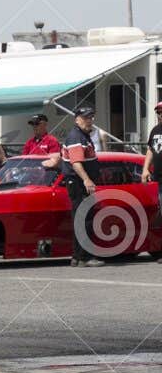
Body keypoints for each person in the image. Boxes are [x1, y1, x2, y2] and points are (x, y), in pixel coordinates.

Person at [62, 107, 101, 266]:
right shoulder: (77, 136)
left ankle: (77, 257)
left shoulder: (82, 136)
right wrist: (87, 180)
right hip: (78, 183)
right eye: (85, 118)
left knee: (82, 218)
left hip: (77, 182)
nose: (89, 120)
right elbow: (76, 164)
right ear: (77, 119)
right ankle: (84, 257)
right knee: (84, 219)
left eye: (91, 117)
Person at [142, 103, 162, 184]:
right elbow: (150, 150)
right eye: (158, 112)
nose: (161, 115)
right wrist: (145, 169)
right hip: (159, 179)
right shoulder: (155, 130)